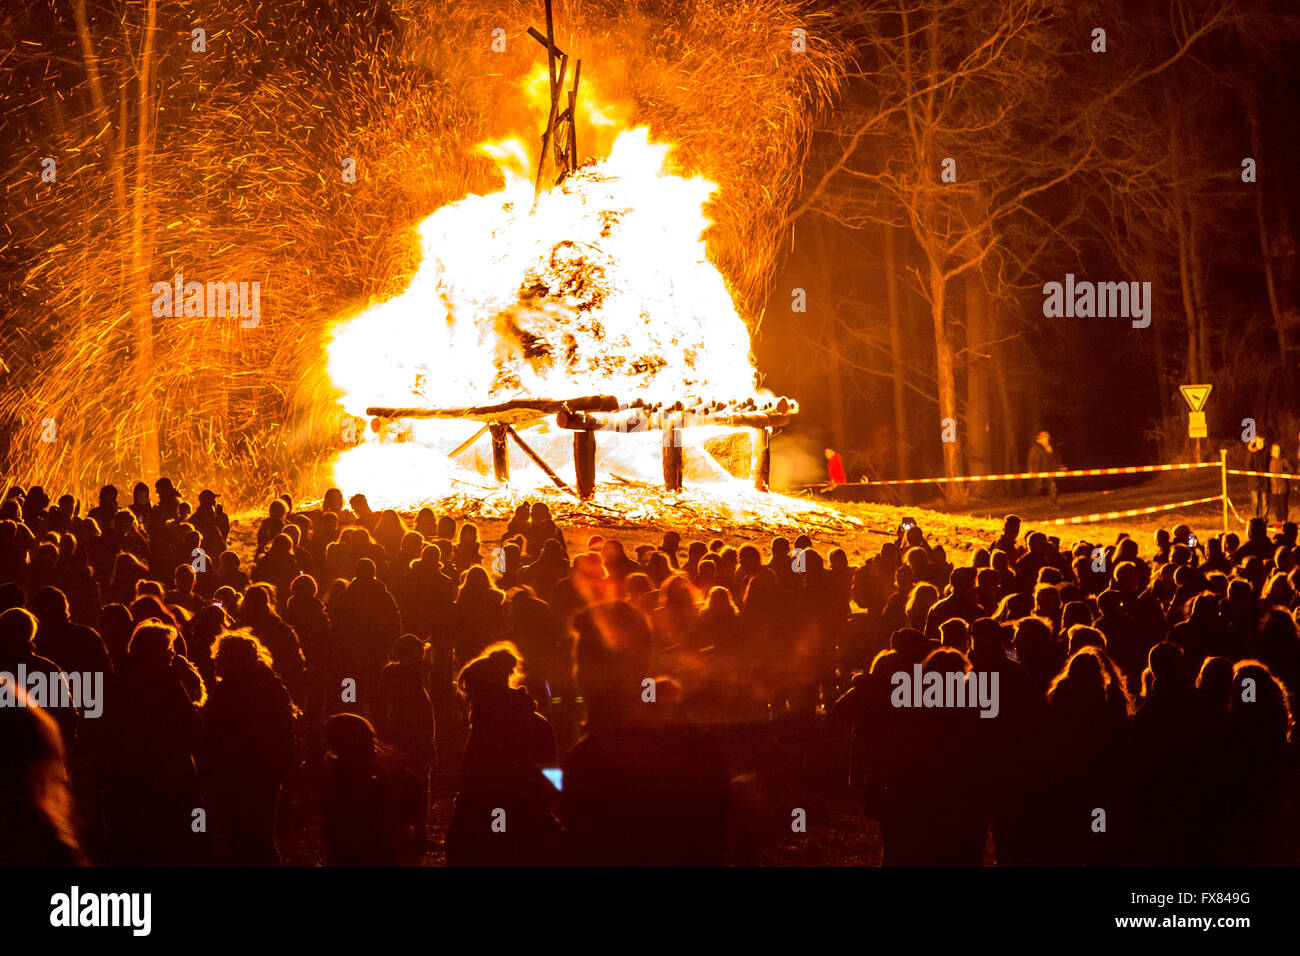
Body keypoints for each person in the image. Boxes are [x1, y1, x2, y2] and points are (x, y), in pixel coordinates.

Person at [1027, 430, 1065, 507]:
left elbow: (1057, 458)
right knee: (1038, 489)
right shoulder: (1036, 448)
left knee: (1053, 487)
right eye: (1044, 438)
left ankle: (1054, 504)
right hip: (1039, 471)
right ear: (1040, 439)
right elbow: (1031, 459)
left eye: (1047, 437)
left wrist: (1061, 466)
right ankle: (1030, 500)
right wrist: (1030, 470)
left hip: (1050, 471)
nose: (1046, 439)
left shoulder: (1052, 447)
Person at [1247, 435, 1270, 518]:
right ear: (1255, 443)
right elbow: (1248, 465)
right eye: (1259, 442)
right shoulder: (1251, 453)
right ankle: (1255, 519)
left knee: (1265, 502)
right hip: (1254, 481)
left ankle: (1264, 520)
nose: (1261, 444)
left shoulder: (1266, 452)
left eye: (1262, 442)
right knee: (1255, 502)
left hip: (1264, 481)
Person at [1268, 442, 1291, 524]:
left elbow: (1290, 470)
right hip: (1274, 488)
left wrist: (1284, 473)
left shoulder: (1284, 460)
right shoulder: (1270, 461)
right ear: (1272, 451)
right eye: (1275, 450)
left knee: (1283, 505)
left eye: (1278, 450)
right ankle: (1278, 521)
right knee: (1276, 506)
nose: (1276, 452)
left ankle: (1284, 521)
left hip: (1283, 488)